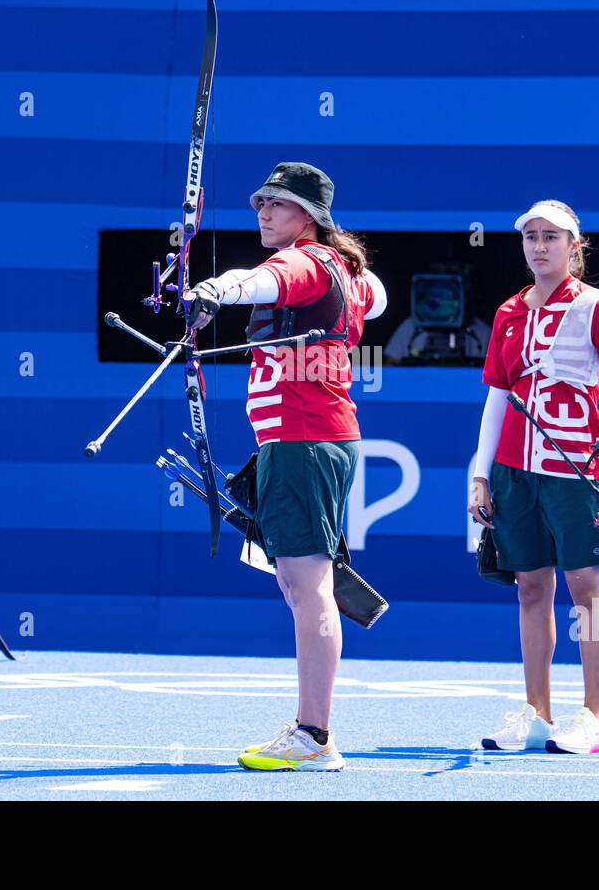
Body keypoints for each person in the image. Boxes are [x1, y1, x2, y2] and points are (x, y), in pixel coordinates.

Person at [184, 161, 386, 771]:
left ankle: (315, 737)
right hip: (303, 441)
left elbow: (267, 279)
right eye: (260, 202)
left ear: (309, 217)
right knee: (300, 584)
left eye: (276, 202)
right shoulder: (345, 271)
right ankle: (312, 731)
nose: (262, 211)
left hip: (305, 441)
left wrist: (215, 290)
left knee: (308, 587)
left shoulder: (305, 261)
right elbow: (374, 297)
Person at [469, 200, 599, 754]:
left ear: (574, 245)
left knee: (586, 588)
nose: (539, 246)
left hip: (576, 466)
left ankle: (593, 716)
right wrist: (480, 476)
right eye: (531, 237)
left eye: (551, 237)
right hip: (513, 470)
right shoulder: (507, 313)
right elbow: (496, 399)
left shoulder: (596, 307)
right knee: (530, 589)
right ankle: (537, 713)